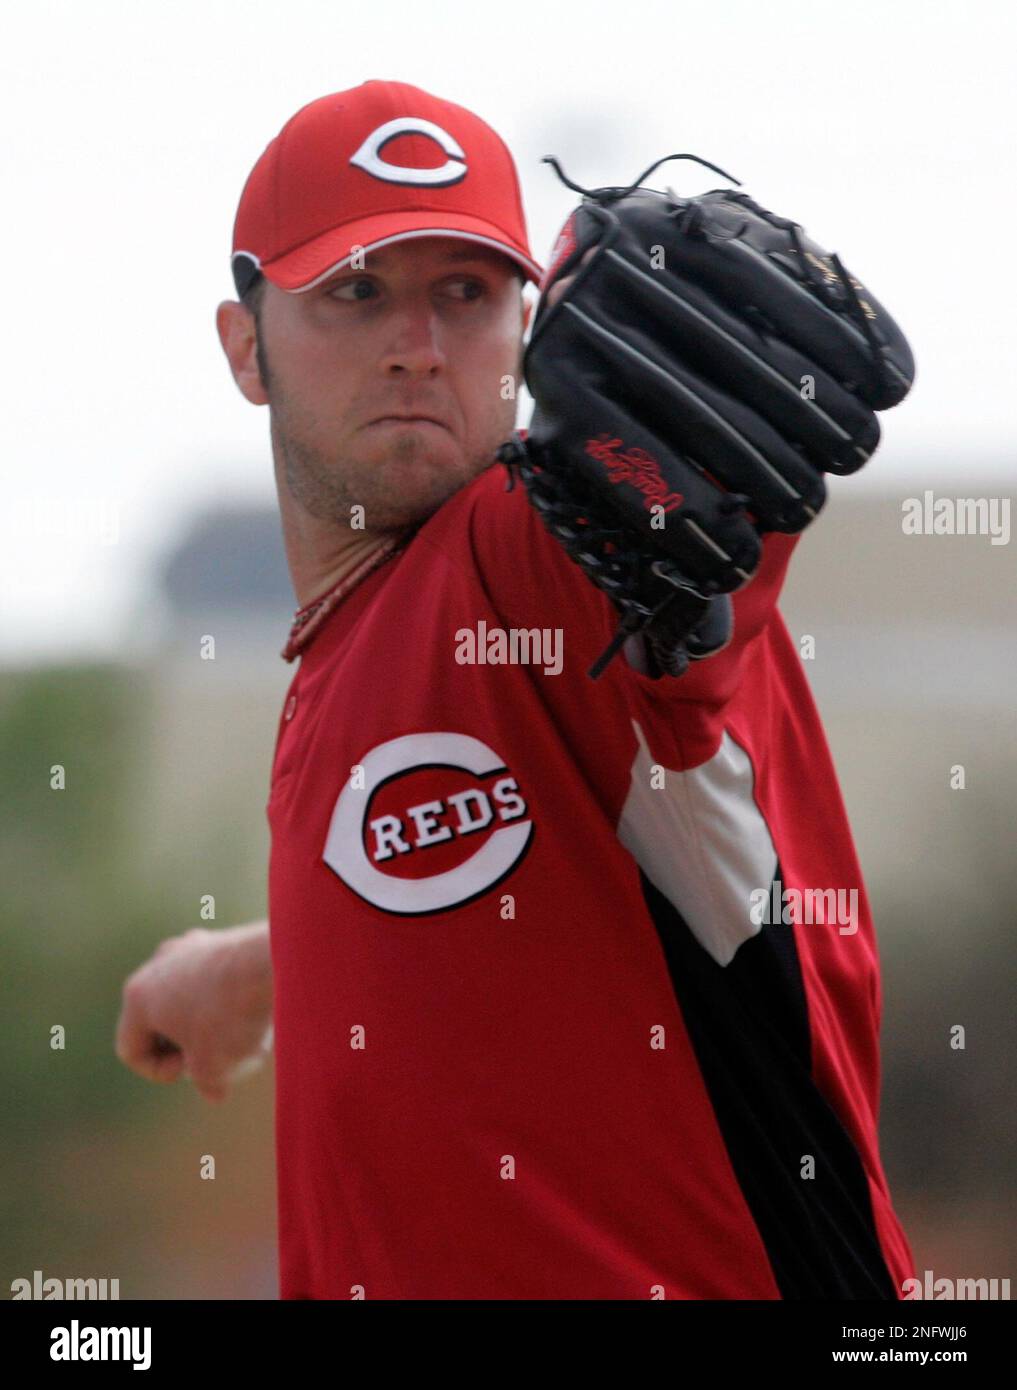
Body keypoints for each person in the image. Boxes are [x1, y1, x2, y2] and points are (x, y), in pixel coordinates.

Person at [117, 78, 915, 1299]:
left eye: (466, 294)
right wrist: (278, 958)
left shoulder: (533, 559)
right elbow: (496, 872)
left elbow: (662, 580)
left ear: (531, 328)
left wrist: (683, 481)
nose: (419, 344)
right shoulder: (351, 642)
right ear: (244, 346)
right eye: (357, 291)